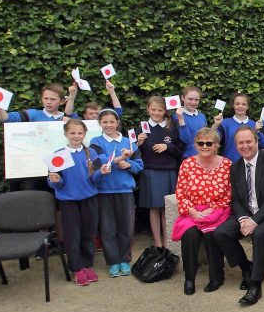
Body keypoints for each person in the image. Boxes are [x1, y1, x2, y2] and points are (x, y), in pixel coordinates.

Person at [214, 126, 264, 306]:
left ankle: (255, 286)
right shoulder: (236, 167)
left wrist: (255, 220)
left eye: (248, 141)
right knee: (221, 234)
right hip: (247, 215)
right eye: (241, 143)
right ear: (236, 145)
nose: (245, 146)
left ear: (256, 142)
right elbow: (236, 200)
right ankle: (247, 268)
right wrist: (242, 219)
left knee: (260, 233)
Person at [172, 128, 231, 295]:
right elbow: (181, 192)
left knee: (212, 235)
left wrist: (212, 209)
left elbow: (229, 193)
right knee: (189, 235)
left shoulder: (226, 164)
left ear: (216, 145)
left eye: (209, 143)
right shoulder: (187, 164)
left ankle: (217, 277)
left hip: (217, 210)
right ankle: (189, 278)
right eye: (201, 143)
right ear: (196, 145)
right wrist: (192, 212)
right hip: (192, 211)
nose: (205, 146)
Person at [47, 119, 105, 287]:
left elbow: (94, 179)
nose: (76, 136)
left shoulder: (91, 153)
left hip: (89, 199)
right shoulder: (58, 155)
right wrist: (56, 180)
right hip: (69, 202)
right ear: (66, 134)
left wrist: (101, 172)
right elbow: (53, 181)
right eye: (72, 133)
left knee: (89, 234)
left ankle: (87, 264)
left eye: (80, 133)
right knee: (72, 236)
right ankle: (77, 268)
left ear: (85, 134)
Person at [89, 109, 143, 277]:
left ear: (118, 122)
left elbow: (139, 164)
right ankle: (113, 261)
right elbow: (100, 162)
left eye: (112, 122)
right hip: (104, 191)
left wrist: (130, 165)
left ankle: (124, 259)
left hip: (125, 190)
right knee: (107, 228)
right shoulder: (95, 141)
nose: (109, 125)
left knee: (126, 227)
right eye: (105, 122)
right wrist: (121, 159)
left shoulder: (129, 142)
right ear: (100, 124)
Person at [136, 96, 183, 249]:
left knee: (167, 209)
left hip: (168, 171)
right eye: (153, 109)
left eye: (160, 110)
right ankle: (157, 242)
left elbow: (180, 150)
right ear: (147, 109)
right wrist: (139, 143)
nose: (156, 113)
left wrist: (167, 147)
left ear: (165, 111)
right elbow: (133, 153)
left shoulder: (172, 127)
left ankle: (168, 240)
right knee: (154, 208)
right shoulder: (141, 128)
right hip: (150, 171)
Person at [212, 92, 256, 163]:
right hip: (229, 163)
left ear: (247, 106)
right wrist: (216, 125)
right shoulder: (224, 123)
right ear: (233, 105)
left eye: (243, 104)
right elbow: (212, 139)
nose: (240, 106)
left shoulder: (254, 125)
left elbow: (262, 145)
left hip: (250, 164)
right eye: (237, 104)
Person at [0, 82, 67, 123]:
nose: (48, 102)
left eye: (53, 99)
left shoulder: (68, 118)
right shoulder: (32, 114)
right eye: (46, 98)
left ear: (61, 101)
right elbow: (7, 119)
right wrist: (0, 108)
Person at [174, 85, 207, 159]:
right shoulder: (176, 116)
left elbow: (206, 137)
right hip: (186, 158)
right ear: (183, 98)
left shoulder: (202, 116)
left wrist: (216, 124)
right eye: (190, 99)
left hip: (203, 157)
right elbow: (186, 139)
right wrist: (181, 119)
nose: (193, 102)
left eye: (196, 100)